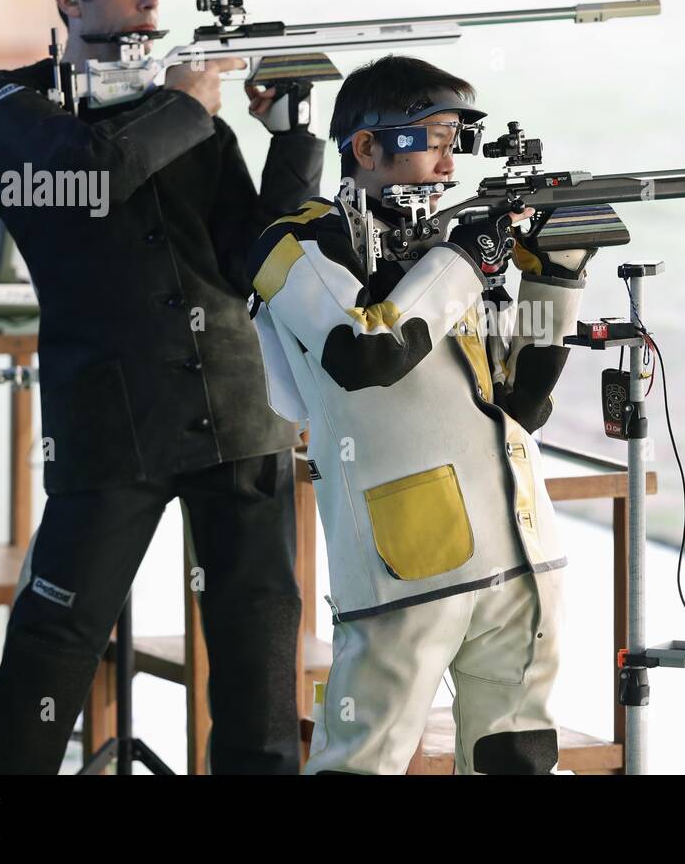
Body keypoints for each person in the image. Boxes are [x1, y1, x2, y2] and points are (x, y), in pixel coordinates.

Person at [0, 0, 322, 774]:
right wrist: (187, 103)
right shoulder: (14, 101)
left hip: (240, 412)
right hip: (112, 425)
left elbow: (254, 258)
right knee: (55, 639)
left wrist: (295, 141)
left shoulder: (190, 118)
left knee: (261, 649)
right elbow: (87, 177)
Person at [248, 54, 595, 774]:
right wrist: (467, 260)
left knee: (518, 756)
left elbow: (518, 403)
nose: (447, 163)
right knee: (361, 759)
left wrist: (556, 277)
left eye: (455, 143)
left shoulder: (442, 248)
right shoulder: (296, 240)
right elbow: (364, 349)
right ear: (365, 147)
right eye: (430, 139)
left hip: (522, 554)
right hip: (407, 564)